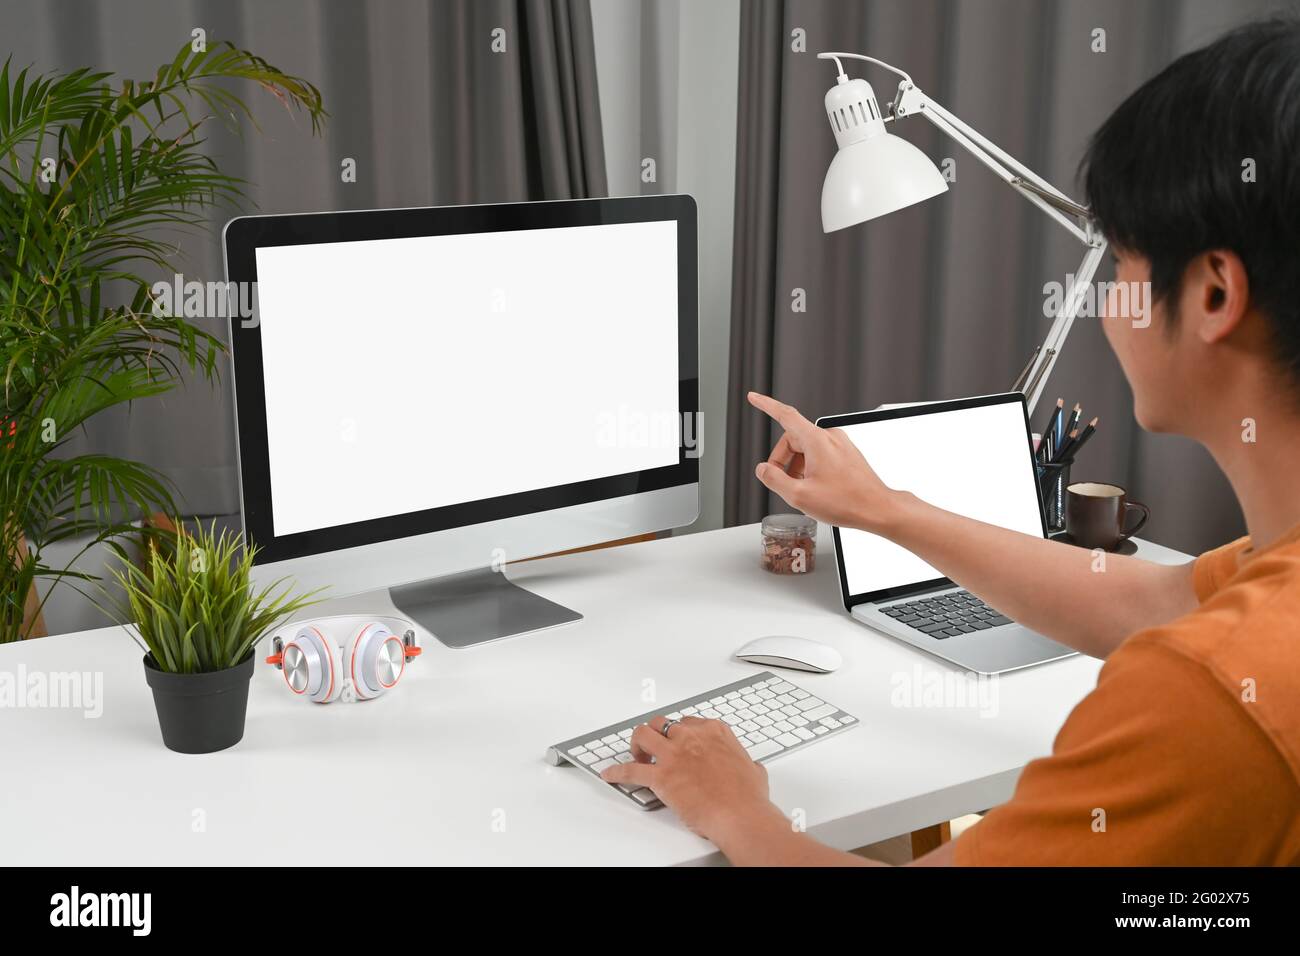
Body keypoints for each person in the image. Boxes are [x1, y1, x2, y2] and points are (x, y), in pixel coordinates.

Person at [602, 17, 1300, 865]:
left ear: (1214, 293)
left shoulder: (1211, 695)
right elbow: (1149, 603)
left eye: (1119, 261)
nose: (1104, 297)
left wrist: (738, 809)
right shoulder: (1273, 580)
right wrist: (883, 509)